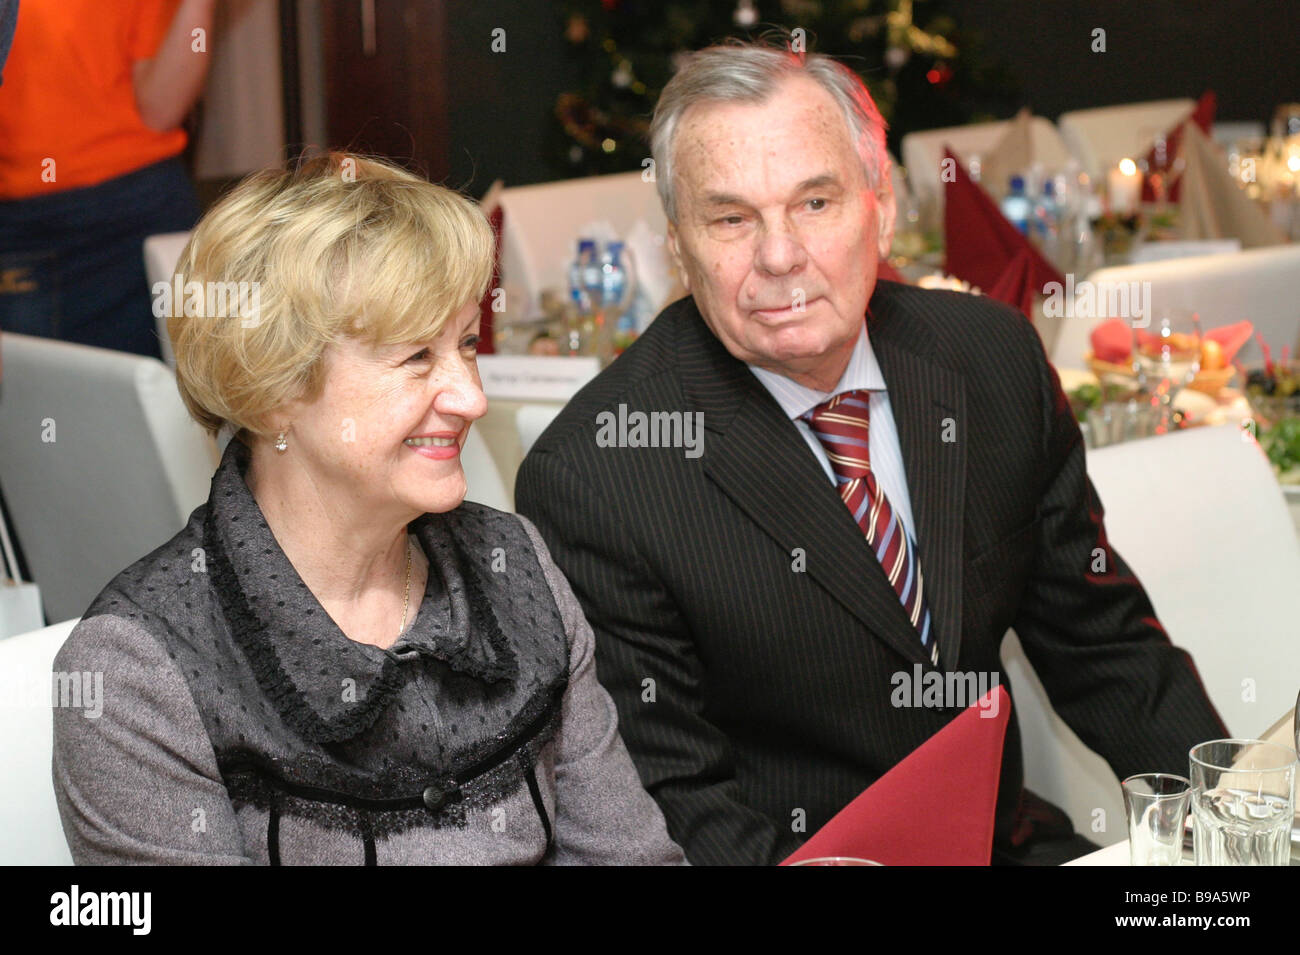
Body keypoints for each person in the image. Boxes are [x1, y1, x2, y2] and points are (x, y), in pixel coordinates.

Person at [514, 41, 1227, 865]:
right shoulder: (599, 474)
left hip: (1002, 843)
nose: (778, 257)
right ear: (678, 245)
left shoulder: (990, 358)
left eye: (815, 202)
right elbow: (670, 794)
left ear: (881, 207)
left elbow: (1102, 643)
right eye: (731, 218)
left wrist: (1235, 818)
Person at [51, 153, 685, 866]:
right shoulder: (139, 670)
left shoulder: (515, 566)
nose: (471, 397)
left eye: (467, 345)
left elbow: (631, 857)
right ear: (272, 390)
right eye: (416, 356)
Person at [0, 0, 214, 358]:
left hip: (141, 210)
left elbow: (160, 110)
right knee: (40, 400)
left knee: (182, 394)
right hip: (22, 229)